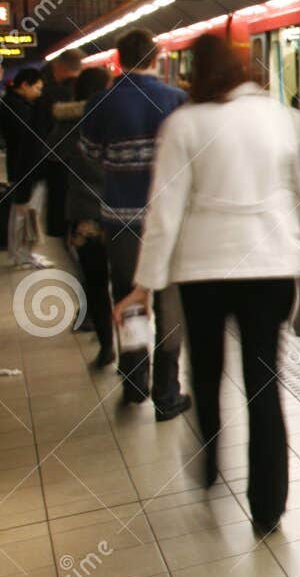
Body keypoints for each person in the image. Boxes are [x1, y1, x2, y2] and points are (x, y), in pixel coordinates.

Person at [113, 34, 300, 536]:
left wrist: (144, 285)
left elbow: (165, 211)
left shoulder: (184, 123)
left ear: (197, 74)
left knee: (205, 372)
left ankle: (208, 462)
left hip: (203, 271)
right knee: (264, 383)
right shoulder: (282, 118)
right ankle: (268, 505)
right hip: (271, 267)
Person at [82, 29, 191, 420]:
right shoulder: (176, 100)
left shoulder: (100, 101)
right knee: (169, 302)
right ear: (156, 57)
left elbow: (90, 153)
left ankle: (133, 381)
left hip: (121, 218)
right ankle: (167, 392)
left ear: (119, 60)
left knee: (129, 297)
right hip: (167, 218)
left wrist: (120, 165)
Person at [61, 67, 114, 367]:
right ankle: (133, 355)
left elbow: (51, 154)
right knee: (125, 283)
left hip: (85, 216)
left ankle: (107, 345)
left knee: (95, 284)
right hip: (120, 211)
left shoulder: (70, 122)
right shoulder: (116, 119)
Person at [2, 68, 50, 267]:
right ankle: (21, 254)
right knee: (23, 213)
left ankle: (25, 253)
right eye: (37, 88)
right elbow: (27, 137)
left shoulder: (17, 104)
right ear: (24, 85)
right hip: (24, 167)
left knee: (26, 212)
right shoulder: (16, 107)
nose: (39, 93)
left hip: (22, 166)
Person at [39, 49, 83, 238]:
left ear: (57, 67)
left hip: (57, 167)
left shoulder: (48, 95)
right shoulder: (95, 96)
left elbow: (38, 134)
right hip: (86, 174)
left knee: (59, 213)